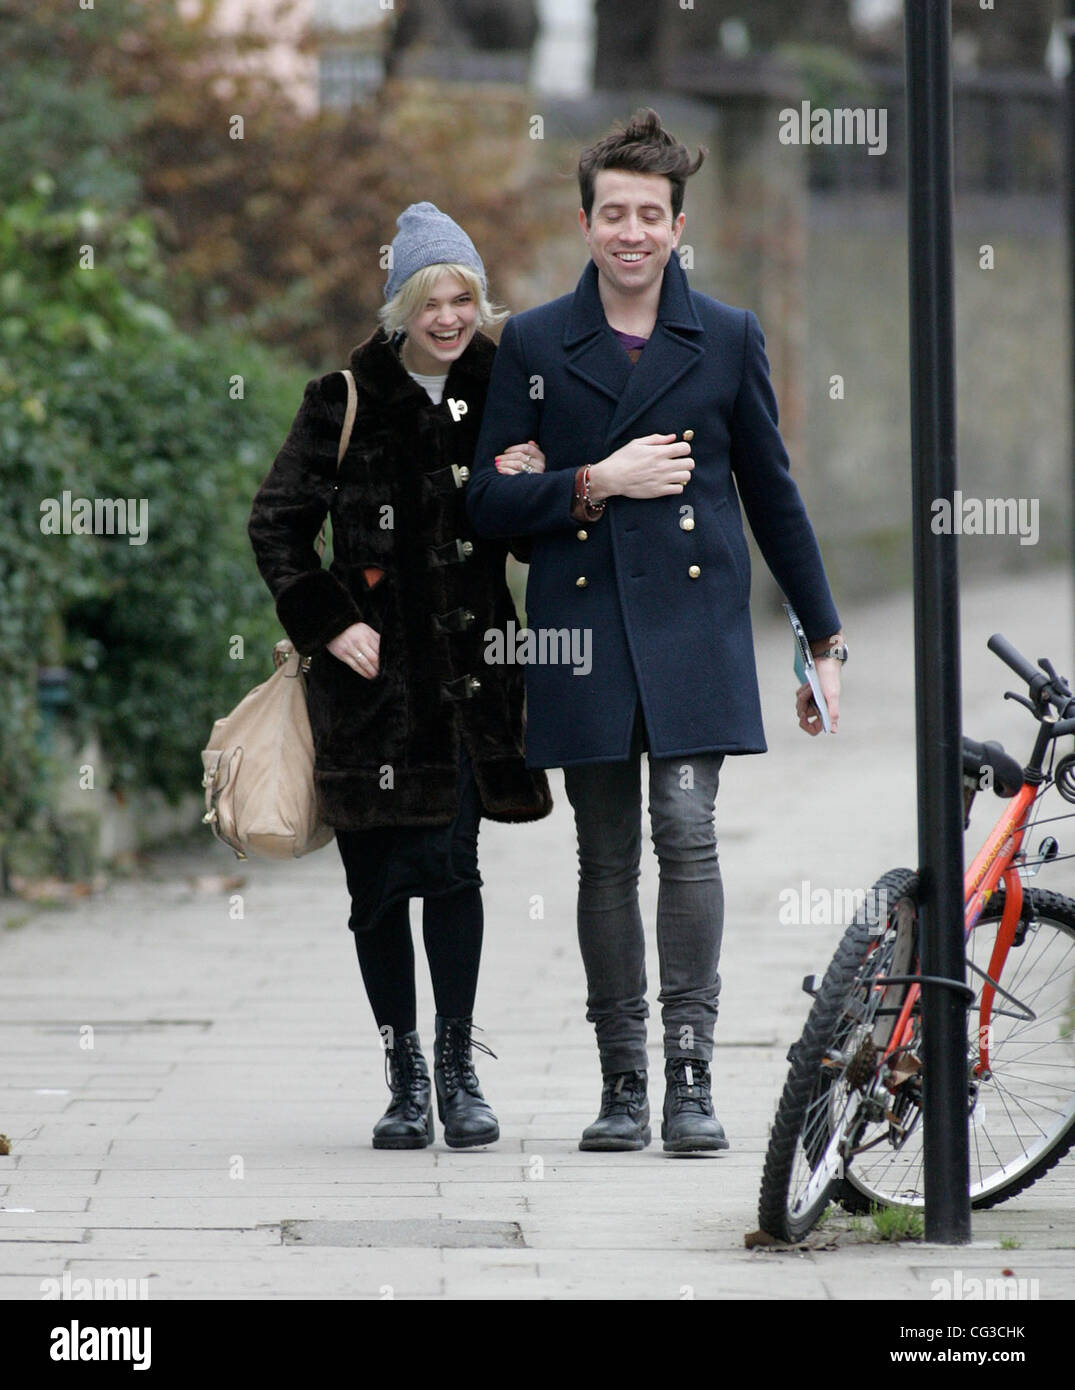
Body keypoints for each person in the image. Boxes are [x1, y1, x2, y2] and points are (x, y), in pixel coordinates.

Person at [466, 110, 846, 1153]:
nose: (630, 232)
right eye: (612, 213)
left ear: (679, 226)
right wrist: (595, 481)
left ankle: (689, 1077)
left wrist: (822, 641)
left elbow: (771, 496)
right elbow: (484, 505)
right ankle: (622, 1084)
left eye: (649, 214)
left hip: (694, 628)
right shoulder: (534, 342)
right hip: (583, 634)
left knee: (685, 830)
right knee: (602, 858)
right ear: (584, 223)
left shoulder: (725, 335)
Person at [248, 203, 552, 1151]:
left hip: (467, 690)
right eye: (431, 300)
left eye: (463, 298)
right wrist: (331, 621)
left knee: (454, 873)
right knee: (376, 891)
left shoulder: (505, 389)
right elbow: (276, 524)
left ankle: (458, 1070)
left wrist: (535, 481)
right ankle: (405, 1076)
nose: (449, 317)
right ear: (400, 307)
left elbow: (528, 539)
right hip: (368, 699)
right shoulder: (341, 399)